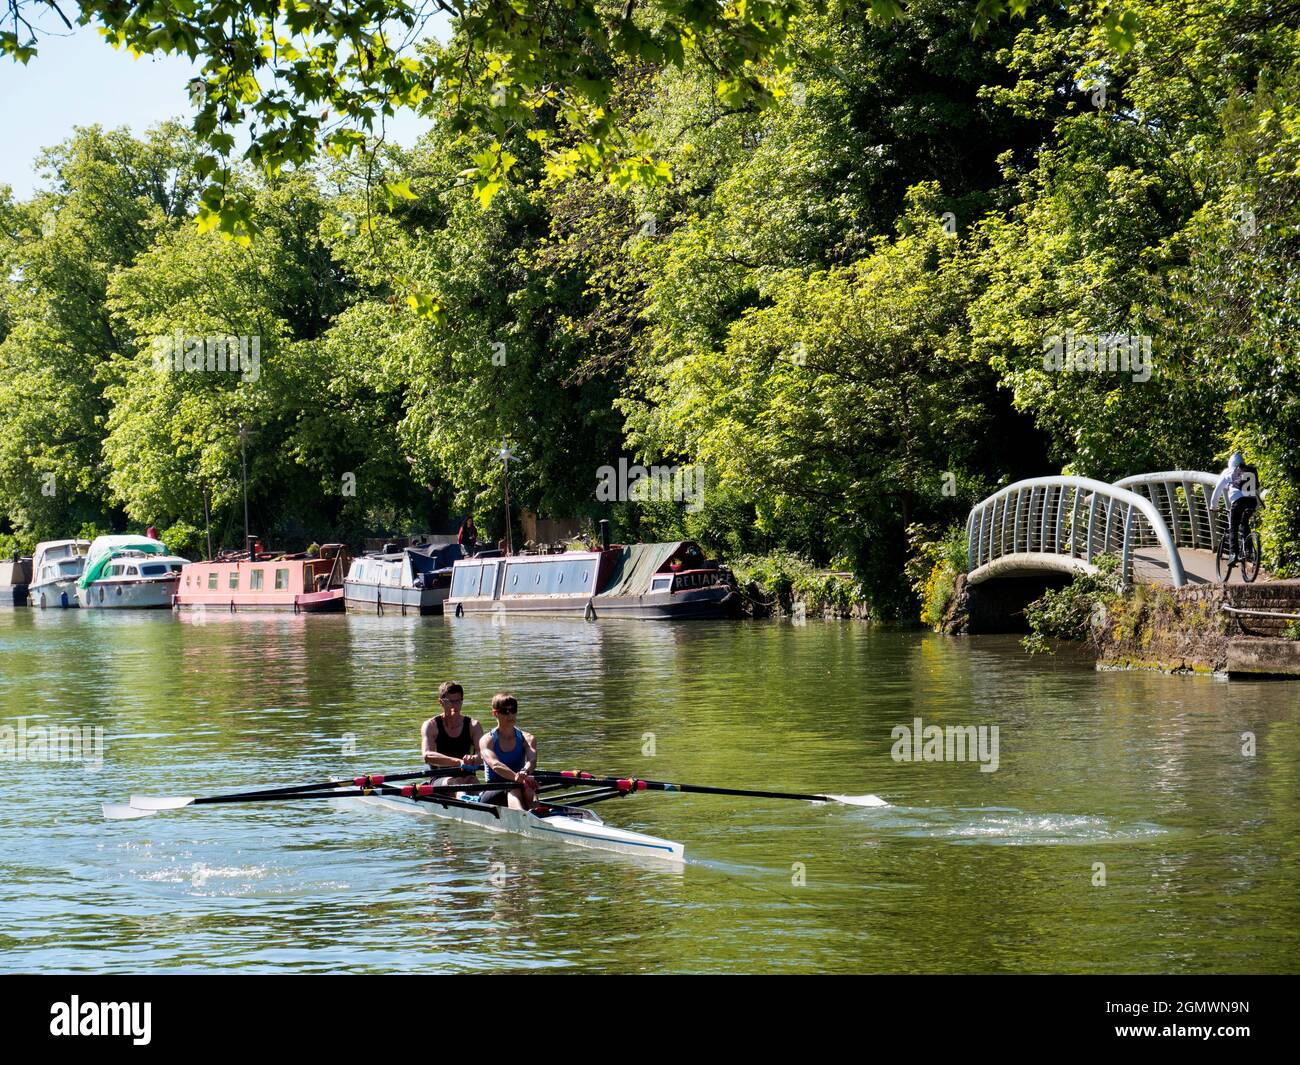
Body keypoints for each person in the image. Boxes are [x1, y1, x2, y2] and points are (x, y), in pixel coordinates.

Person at [478, 693, 537, 810]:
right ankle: (525, 818)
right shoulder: (487, 740)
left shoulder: (528, 738)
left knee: (528, 788)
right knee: (515, 788)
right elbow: (495, 765)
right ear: (495, 713)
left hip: (519, 785)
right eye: (505, 711)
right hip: (492, 792)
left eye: (513, 710)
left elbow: (532, 760)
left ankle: (539, 815)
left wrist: (525, 771)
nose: (510, 714)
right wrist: (516, 777)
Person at [420, 681, 483, 787]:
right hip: (440, 779)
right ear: (441, 702)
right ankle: (466, 800)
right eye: (450, 702)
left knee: (473, 782)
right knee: (455, 783)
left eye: (458, 701)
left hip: (468, 777)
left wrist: (475, 759)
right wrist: (458, 762)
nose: (454, 706)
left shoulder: (473, 726)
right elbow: (427, 755)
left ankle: (478, 801)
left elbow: (484, 754)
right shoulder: (431, 726)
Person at [1209, 451, 1261, 562]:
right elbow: (1257, 489)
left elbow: (1217, 491)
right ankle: (1249, 552)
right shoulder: (1248, 471)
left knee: (1233, 527)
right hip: (1252, 502)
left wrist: (1213, 506)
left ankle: (1233, 554)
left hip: (1238, 503)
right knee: (1244, 523)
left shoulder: (1228, 472)